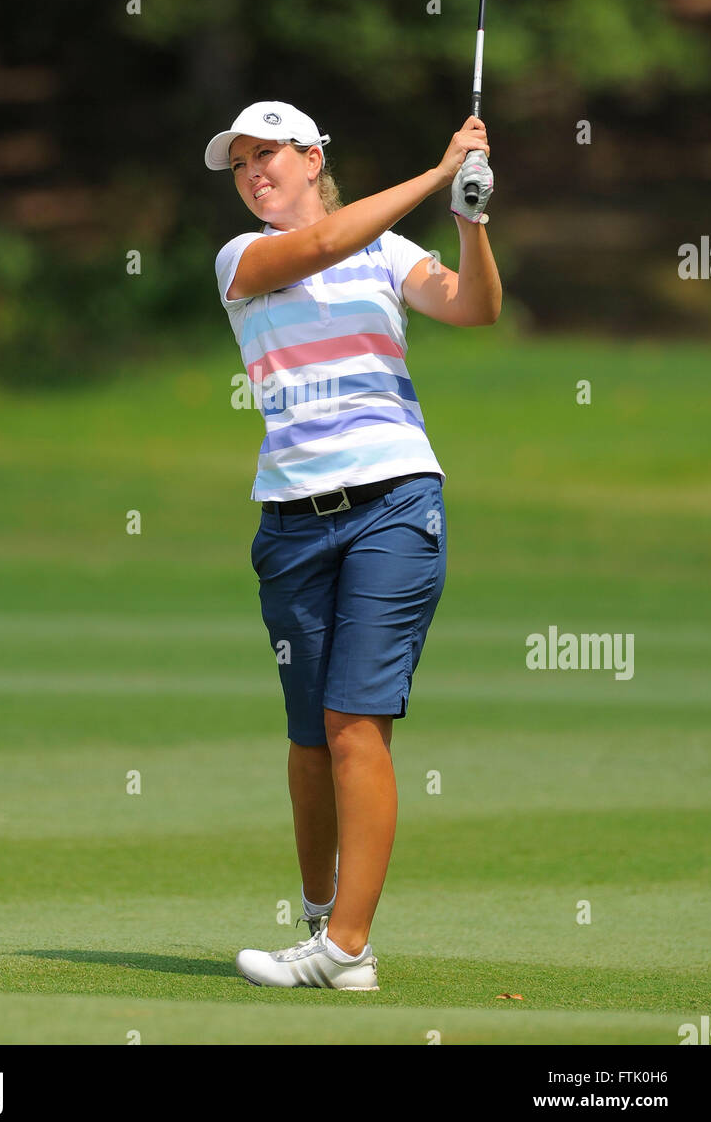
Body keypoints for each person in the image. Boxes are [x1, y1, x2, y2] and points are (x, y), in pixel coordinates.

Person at [207, 100, 499, 989]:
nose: (255, 174)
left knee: (353, 726)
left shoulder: (386, 247)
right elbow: (321, 247)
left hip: (395, 504)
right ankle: (317, 914)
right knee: (308, 737)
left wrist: (470, 220)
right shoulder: (241, 259)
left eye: (270, 157)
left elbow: (475, 307)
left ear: (312, 157)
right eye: (241, 164)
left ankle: (346, 948)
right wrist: (437, 171)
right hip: (291, 519)